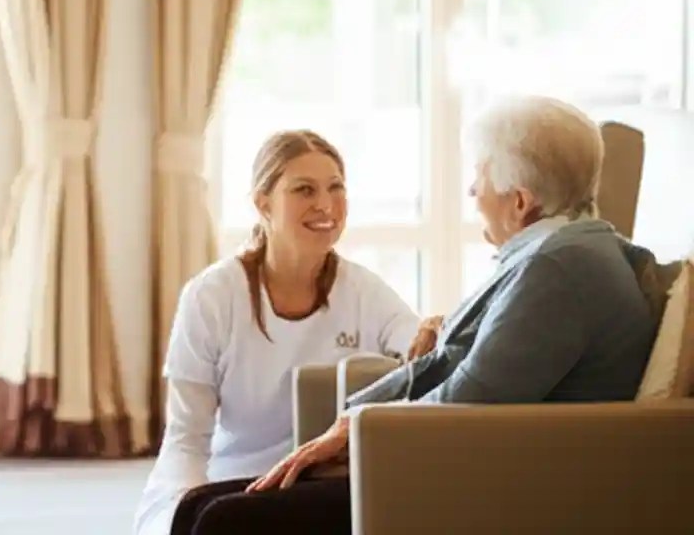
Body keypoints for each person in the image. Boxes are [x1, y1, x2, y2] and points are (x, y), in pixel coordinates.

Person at [173, 95, 662, 534]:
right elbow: (447, 363)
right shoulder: (559, 253)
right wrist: (349, 423)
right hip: (480, 460)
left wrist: (358, 431)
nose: (472, 192)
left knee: (220, 519)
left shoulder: (557, 267)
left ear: (520, 202)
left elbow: (468, 397)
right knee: (196, 504)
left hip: (496, 483)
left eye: (482, 176)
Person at [133, 130, 442, 535]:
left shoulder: (364, 291)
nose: (326, 204)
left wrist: (435, 330)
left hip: (315, 489)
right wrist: (176, 512)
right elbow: (186, 441)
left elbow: (420, 346)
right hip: (229, 489)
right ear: (263, 203)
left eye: (336, 188)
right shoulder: (211, 296)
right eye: (304, 190)